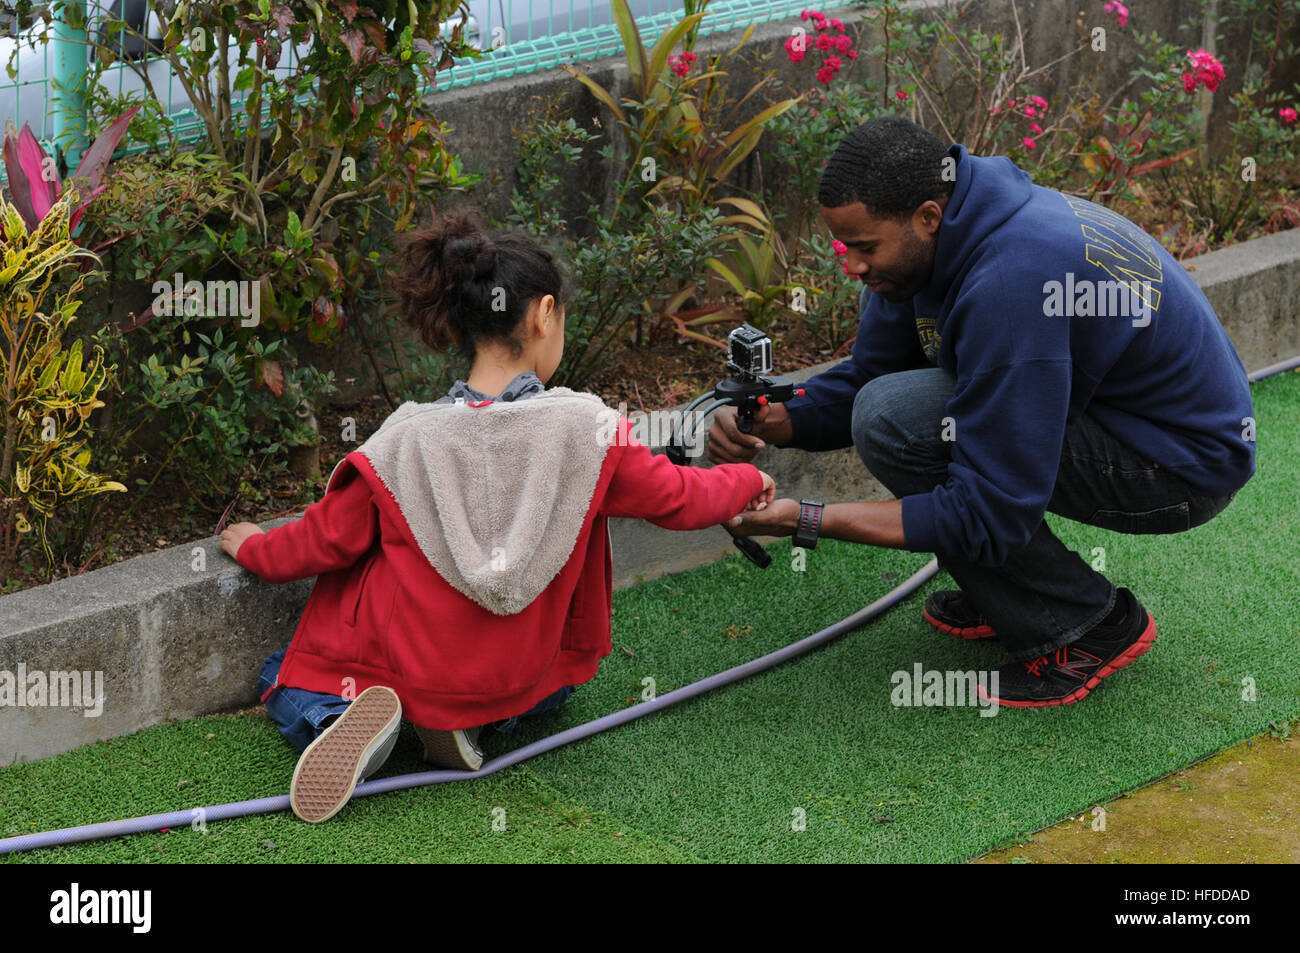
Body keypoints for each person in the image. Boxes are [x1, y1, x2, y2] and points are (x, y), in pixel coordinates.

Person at [220, 208, 775, 822]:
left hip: (417, 666)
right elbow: (679, 499)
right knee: (559, 682)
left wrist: (249, 546)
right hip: (518, 667)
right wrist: (746, 479)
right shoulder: (586, 430)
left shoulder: (402, 443)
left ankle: (335, 717)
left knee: (285, 671)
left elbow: (320, 544)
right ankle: (484, 718)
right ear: (543, 314)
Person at [713, 116, 1254, 708]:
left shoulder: (1010, 281)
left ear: (926, 215)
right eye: (848, 248)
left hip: (1178, 466)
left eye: (866, 248)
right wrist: (779, 421)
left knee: (895, 421)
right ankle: (1004, 592)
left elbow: (991, 510)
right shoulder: (938, 238)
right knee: (890, 405)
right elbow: (873, 374)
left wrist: (806, 519)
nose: (853, 268)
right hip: (1109, 416)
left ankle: (1081, 627)